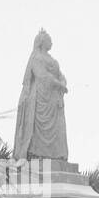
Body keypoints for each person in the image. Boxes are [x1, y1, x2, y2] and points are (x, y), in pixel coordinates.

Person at [12, 28, 69, 161]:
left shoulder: (53, 60)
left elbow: (61, 75)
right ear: (42, 42)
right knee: (38, 129)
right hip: (40, 97)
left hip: (53, 99)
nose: (51, 43)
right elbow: (42, 75)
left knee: (57, 129)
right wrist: (59, 84)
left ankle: (56, 155)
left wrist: (63, 82)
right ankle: (37, 155)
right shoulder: (36, 58)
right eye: (49, 40)